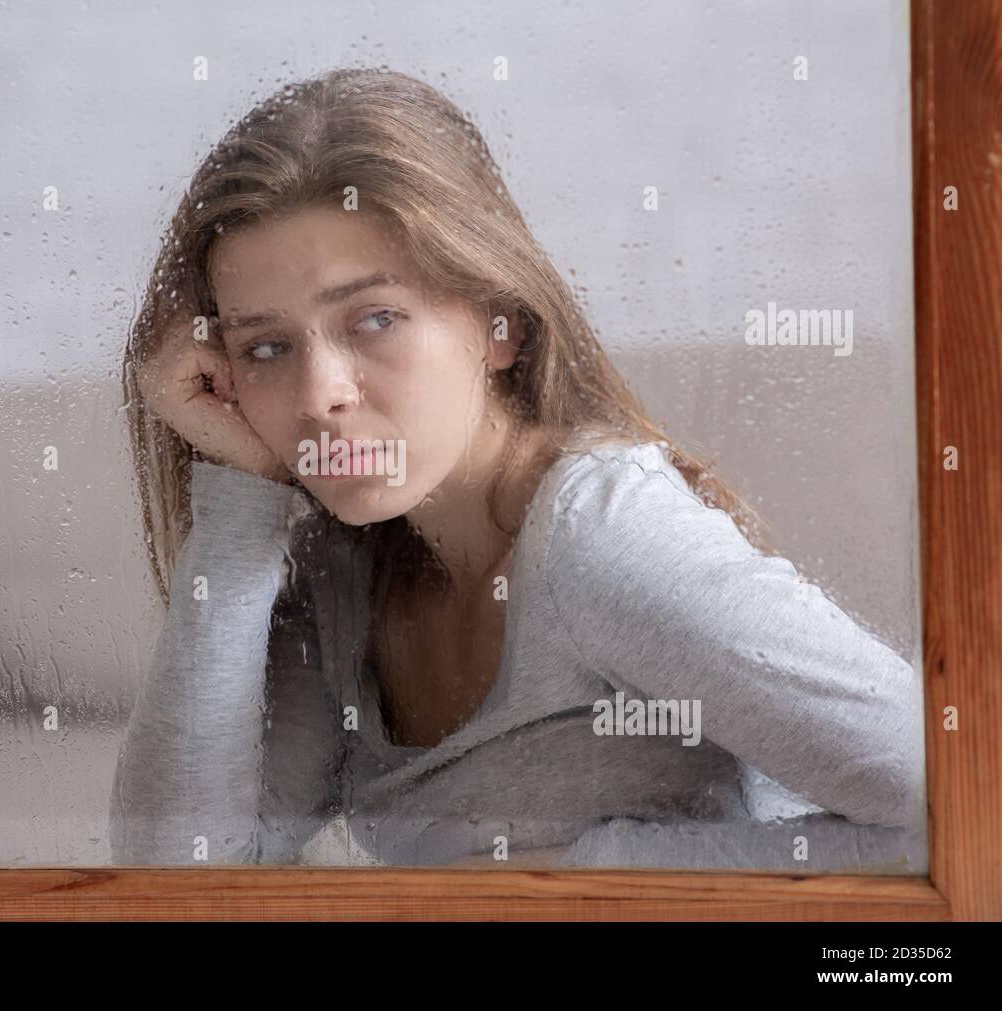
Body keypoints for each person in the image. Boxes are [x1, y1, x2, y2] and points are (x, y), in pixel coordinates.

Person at [108, 67, 925, 869]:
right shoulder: (340, 565)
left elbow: (957, 805)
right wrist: (241, 494)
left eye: (376, 319)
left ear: (500, 323)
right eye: (267, 347)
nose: (320, 395)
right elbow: (181, 877)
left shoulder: (602, 541)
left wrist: (558, 875)